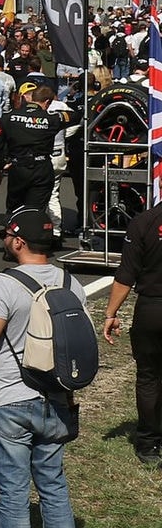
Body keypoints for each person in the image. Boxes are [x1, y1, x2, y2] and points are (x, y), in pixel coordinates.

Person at [0, 211, 85, 528]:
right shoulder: (71, 282)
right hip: (57, 398)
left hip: (10, 399)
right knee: (53, 484)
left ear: (18, 242)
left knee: (14, 489)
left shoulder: (4, 284)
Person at [104, 198, 162, 465]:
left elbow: (126, 274)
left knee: (149, 376)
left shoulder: (143, 222)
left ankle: (148, 443)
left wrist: (111, 313)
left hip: (151, 309)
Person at [0, 83, 61, 221]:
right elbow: (76, 116)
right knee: (36, 211)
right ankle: (32, 236)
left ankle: (14, 234)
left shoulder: (9, 116)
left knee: (14, 208)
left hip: (18, 169)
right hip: (41, 168)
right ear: (47, 102)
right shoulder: (52, 118)